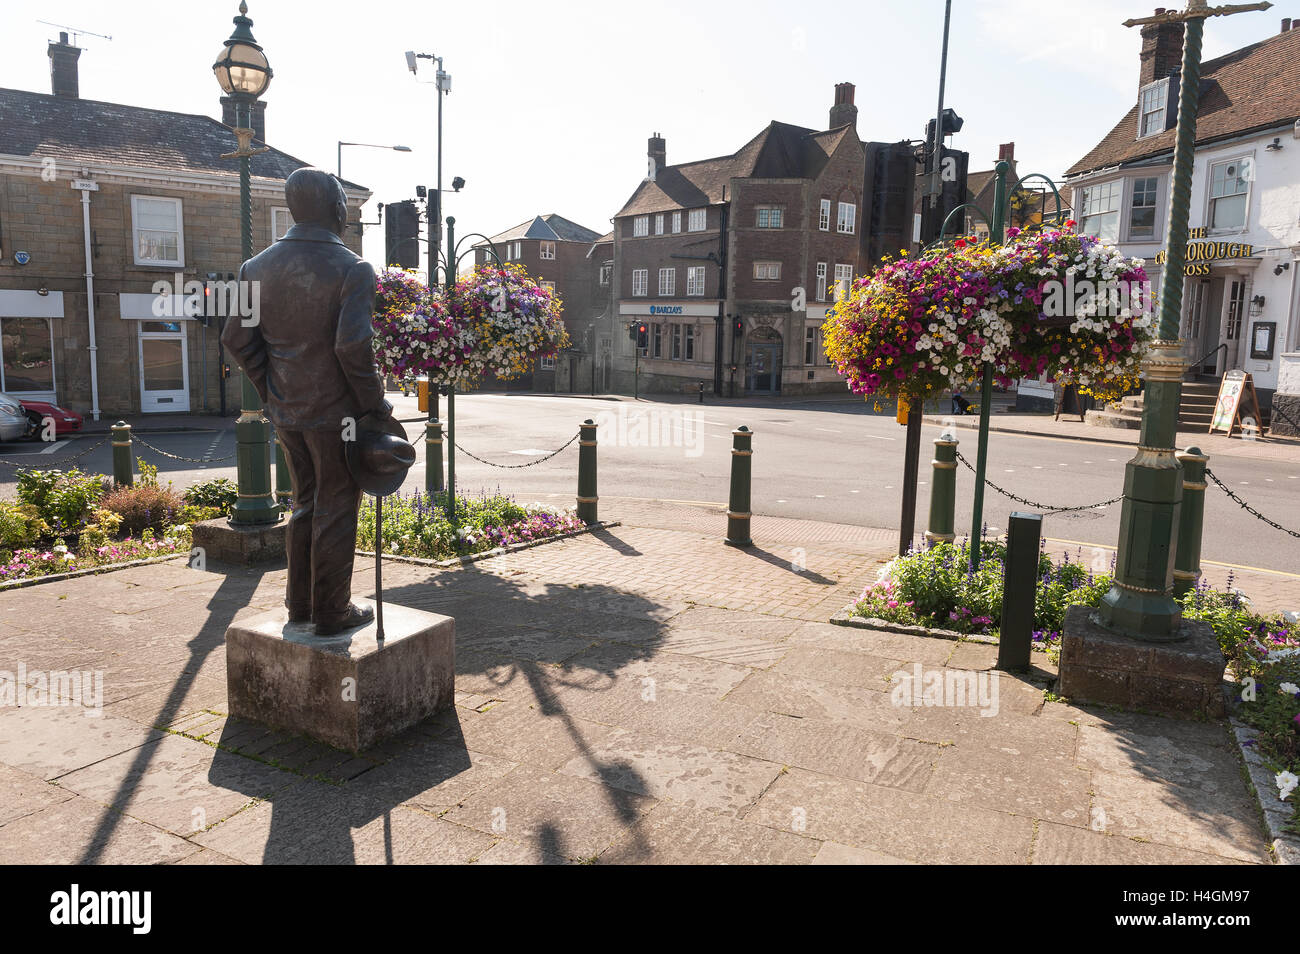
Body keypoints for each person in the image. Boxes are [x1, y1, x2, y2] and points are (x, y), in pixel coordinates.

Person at [223, 167, 401, 635]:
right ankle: (332, 611)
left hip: (287, 412)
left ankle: (299, 605)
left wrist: (271, 392)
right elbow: (351, 348)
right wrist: (374, 407)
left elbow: (237, 340)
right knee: (337, 506)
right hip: (338, 416)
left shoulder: (252, 269)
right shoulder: (354, 268)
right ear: (337, 210)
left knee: (304, 503)